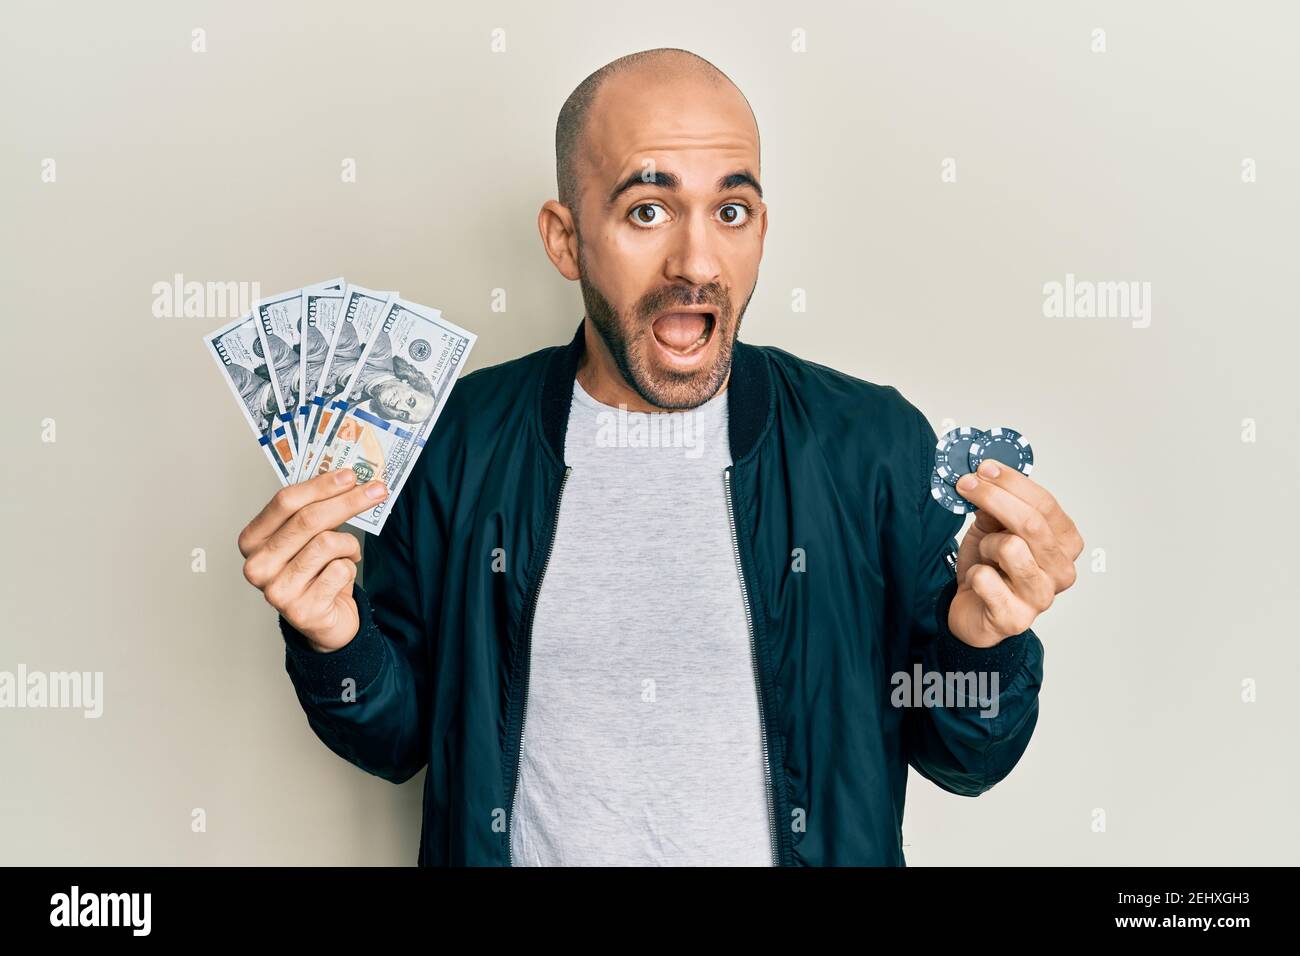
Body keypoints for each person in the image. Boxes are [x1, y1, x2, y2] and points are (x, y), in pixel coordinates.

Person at [237, 48, 1083, 866]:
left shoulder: (868, 444)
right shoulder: (458, 437)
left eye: (731, 210)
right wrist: (334, 639)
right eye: (648, 209)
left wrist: (983, 647)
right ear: (565, 239)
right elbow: (398, 740)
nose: (697, 263)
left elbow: (965, 756)